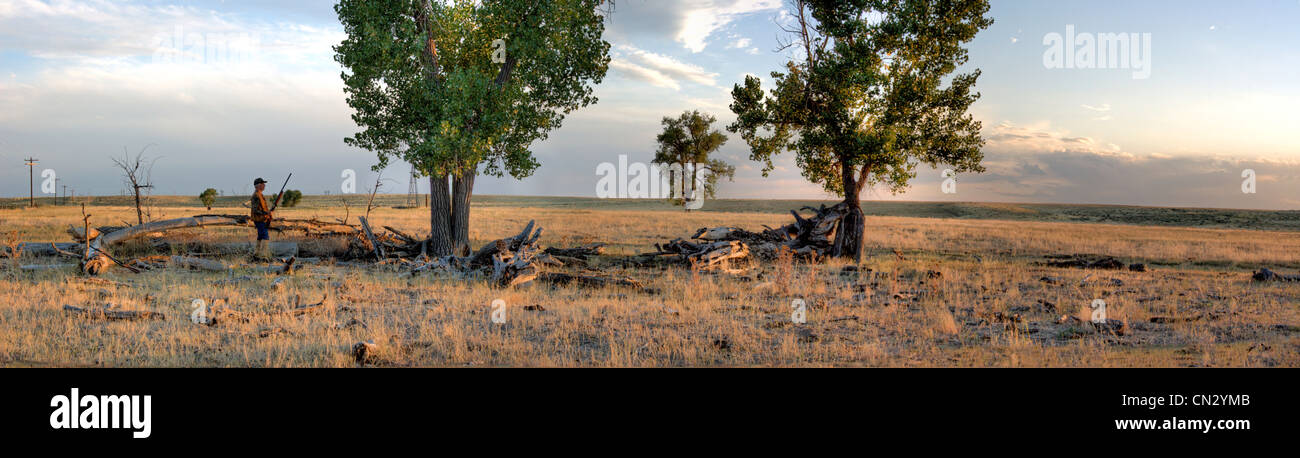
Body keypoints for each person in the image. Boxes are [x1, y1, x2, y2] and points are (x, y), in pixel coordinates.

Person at [250, 177, 274, 261]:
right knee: (265, 236)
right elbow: (255, 210)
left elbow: (262, 208)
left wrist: (268, 213)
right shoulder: (256, 196)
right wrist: (266, 213)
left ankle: (256, 255)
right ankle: (263, 256)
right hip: (259, 219)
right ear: (259, 185)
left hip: (262, 219)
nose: (264, 185)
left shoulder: (259, 194)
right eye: (263, 184)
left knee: (260, 236)